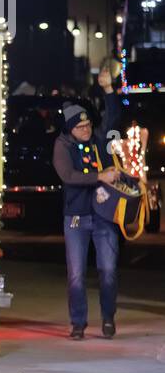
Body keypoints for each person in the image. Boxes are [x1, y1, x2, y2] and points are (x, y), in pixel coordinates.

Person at [53, 91, 124, 340]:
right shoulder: (63, 146)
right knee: (76, 275)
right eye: (80, 127)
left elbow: (113, 118)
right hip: (76, 218)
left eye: (88, 125)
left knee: (108, 270)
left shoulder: (98, 141)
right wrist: (99, 176)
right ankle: (78, 323)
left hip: (104, 216)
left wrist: (108, 91)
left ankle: (108, 317)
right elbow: (68, 176)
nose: (86, 130)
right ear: (70, 129)